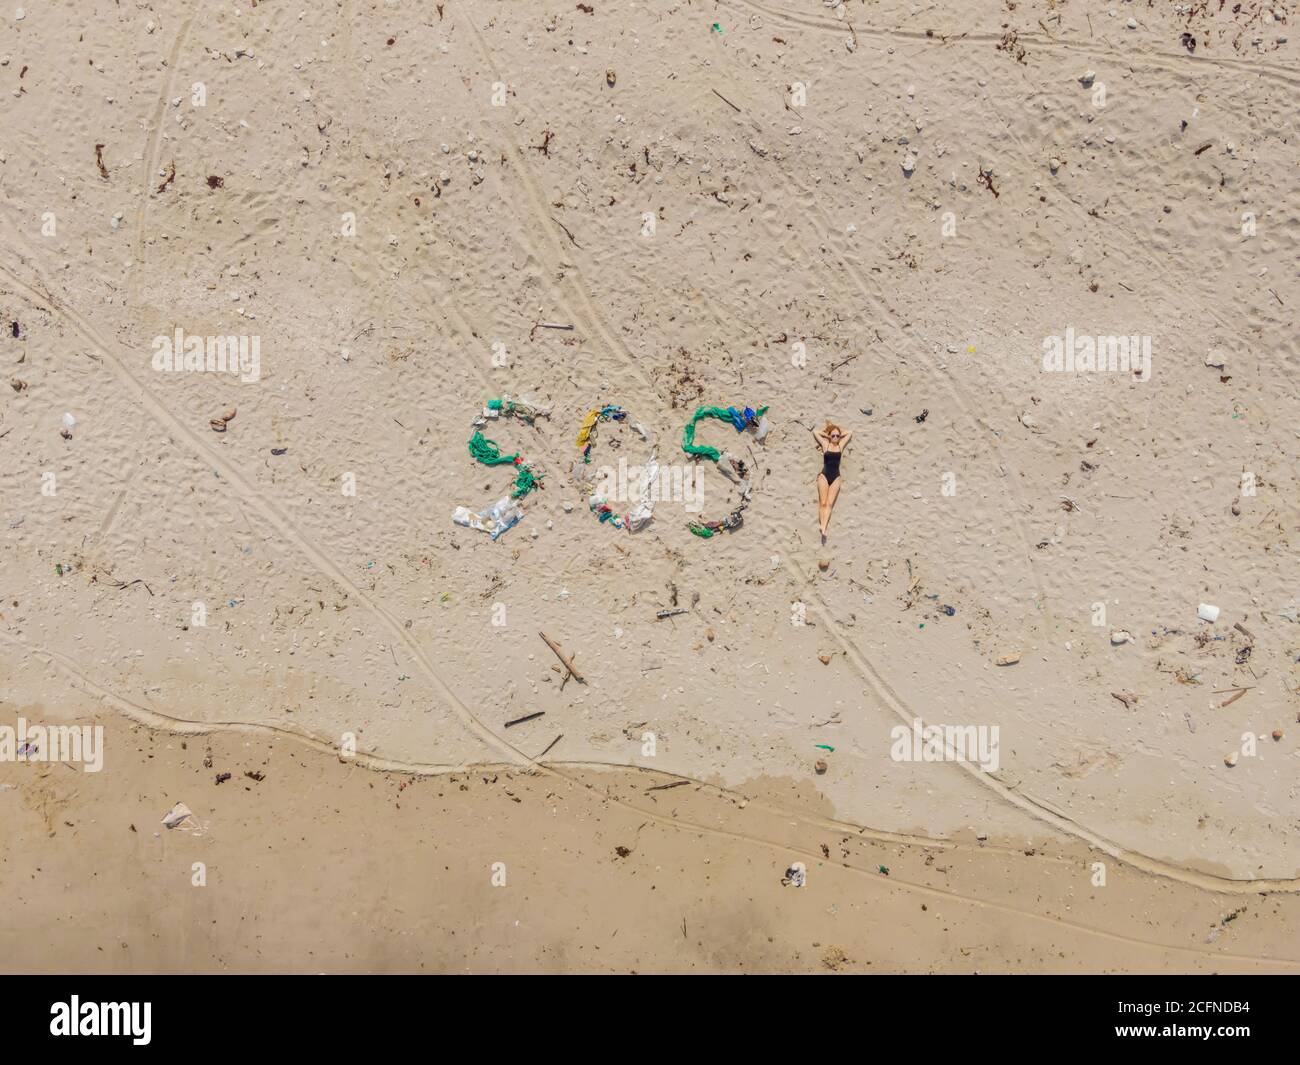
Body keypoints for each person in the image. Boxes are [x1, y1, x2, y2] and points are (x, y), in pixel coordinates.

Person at [813, 421, 852, 542]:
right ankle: (823, 526)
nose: (835, 438)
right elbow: (815, 432)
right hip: (824, 476)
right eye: (833, 436)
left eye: (837, 436)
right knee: (823, 503)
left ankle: (823, 527)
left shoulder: (841, 445)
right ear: (830, 436)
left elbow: (850, 433)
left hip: (836, 477)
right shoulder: (825, 445)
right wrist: (827, 435)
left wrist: (839, 433)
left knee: (829, 504)